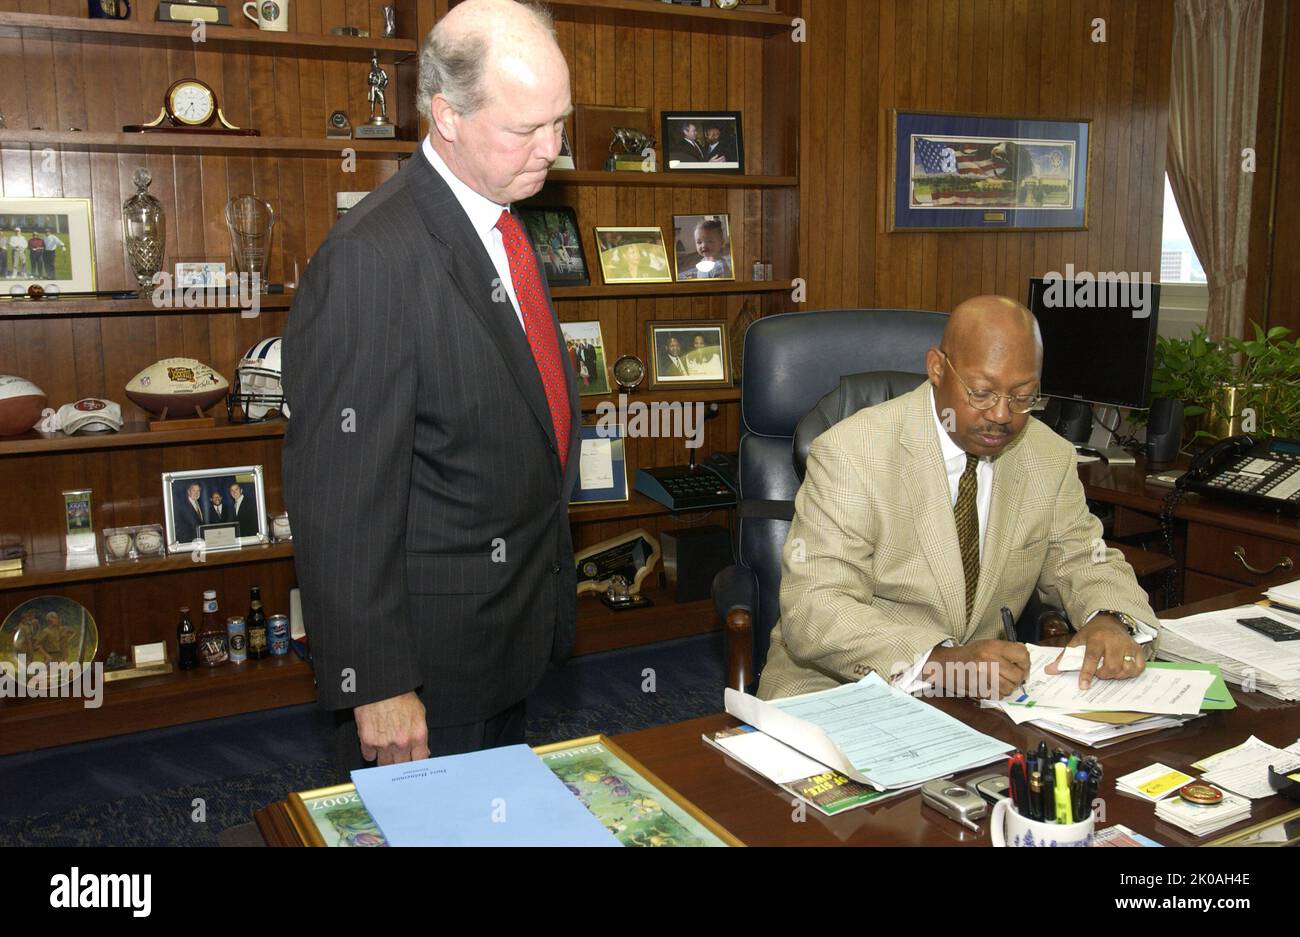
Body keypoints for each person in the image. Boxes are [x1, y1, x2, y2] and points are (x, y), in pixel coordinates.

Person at [283, 0, 580, 773]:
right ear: (446, 116)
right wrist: (377, 681)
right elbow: (340, 500)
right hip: (426, 674)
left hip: (510, 632)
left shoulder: (504, 221)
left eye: (561, 122)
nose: (554, 148)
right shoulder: (370, 260)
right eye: (527, 128)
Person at [758, 295, 1158, 702]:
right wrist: (941, 662)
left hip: (984, 698)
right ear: (936, 367)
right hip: (842, 689)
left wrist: (1111, 619)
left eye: (1023, 396)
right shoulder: (852, 453)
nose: (1002, 415)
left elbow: (1081, 557)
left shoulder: (1047, 455)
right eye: (981, 393)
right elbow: (816, 606)